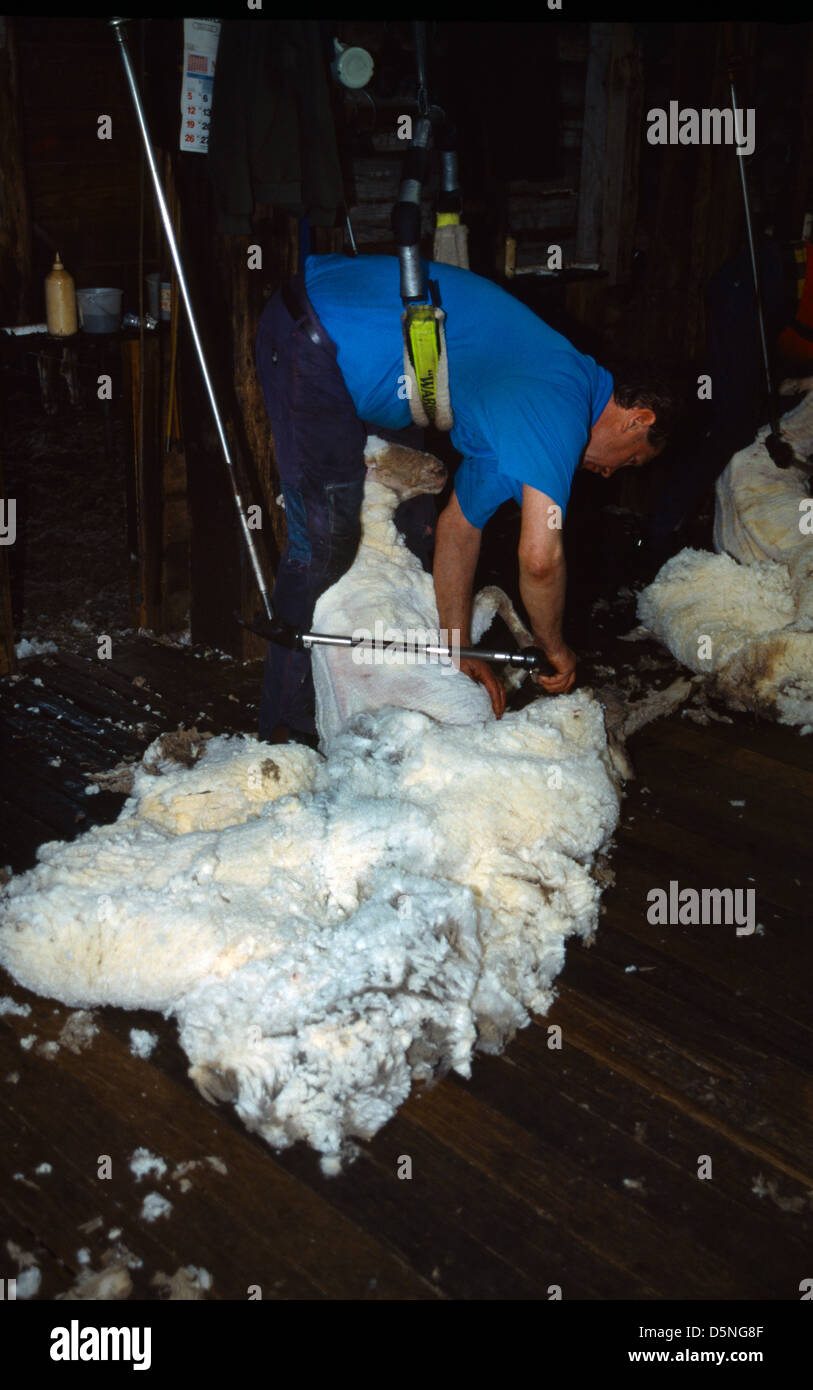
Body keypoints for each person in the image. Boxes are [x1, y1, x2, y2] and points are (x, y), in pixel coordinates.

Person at [255, 253, 680, 742]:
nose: (609, 473)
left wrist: (461, 651)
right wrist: (553, 647)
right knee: (327, 541)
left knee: (417, 528)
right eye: (628, 461)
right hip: (317, 330)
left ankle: (372, 703)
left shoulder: (525, 412)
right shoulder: (560, 397)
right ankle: (283, 733)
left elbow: (460, 531)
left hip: (352, 359)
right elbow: (540, 559)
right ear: (638, 419)